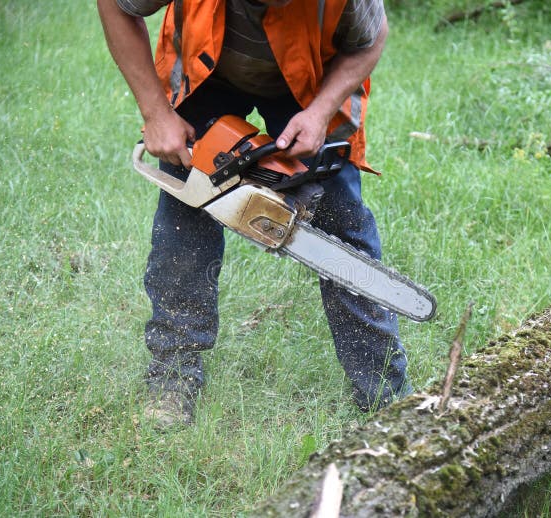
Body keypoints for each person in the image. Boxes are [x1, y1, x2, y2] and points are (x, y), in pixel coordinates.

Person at [97, 0, 412, 427]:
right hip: (206, 69)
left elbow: (371, 37)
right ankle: (173, 376)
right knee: (185, 220)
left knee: (341, 221)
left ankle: (385, 391)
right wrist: (156, 112)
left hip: (310, 80)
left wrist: (320, 114)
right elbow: (117, 6)